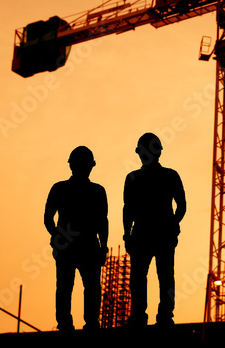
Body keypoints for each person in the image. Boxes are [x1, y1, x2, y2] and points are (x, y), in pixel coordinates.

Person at [123, 132, 186, 327]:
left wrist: (174, 223)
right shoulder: (167, 176)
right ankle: (156, 315)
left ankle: (148, 315)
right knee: (158, 275)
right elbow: (128, 208)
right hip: (151, 233)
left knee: (155, 275)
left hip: (152, 233)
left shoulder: (137, 178)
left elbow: (181, 205)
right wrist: (174, 223)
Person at [44, 146, 109, 332]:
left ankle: (80, 323)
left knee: (82, 287)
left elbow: (102, 221)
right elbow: (48, 219)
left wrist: (103, 246)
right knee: (72, 287)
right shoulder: (92, 191)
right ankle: (74, 323)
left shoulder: (66, 189)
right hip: (77, 247)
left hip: (82, 246)